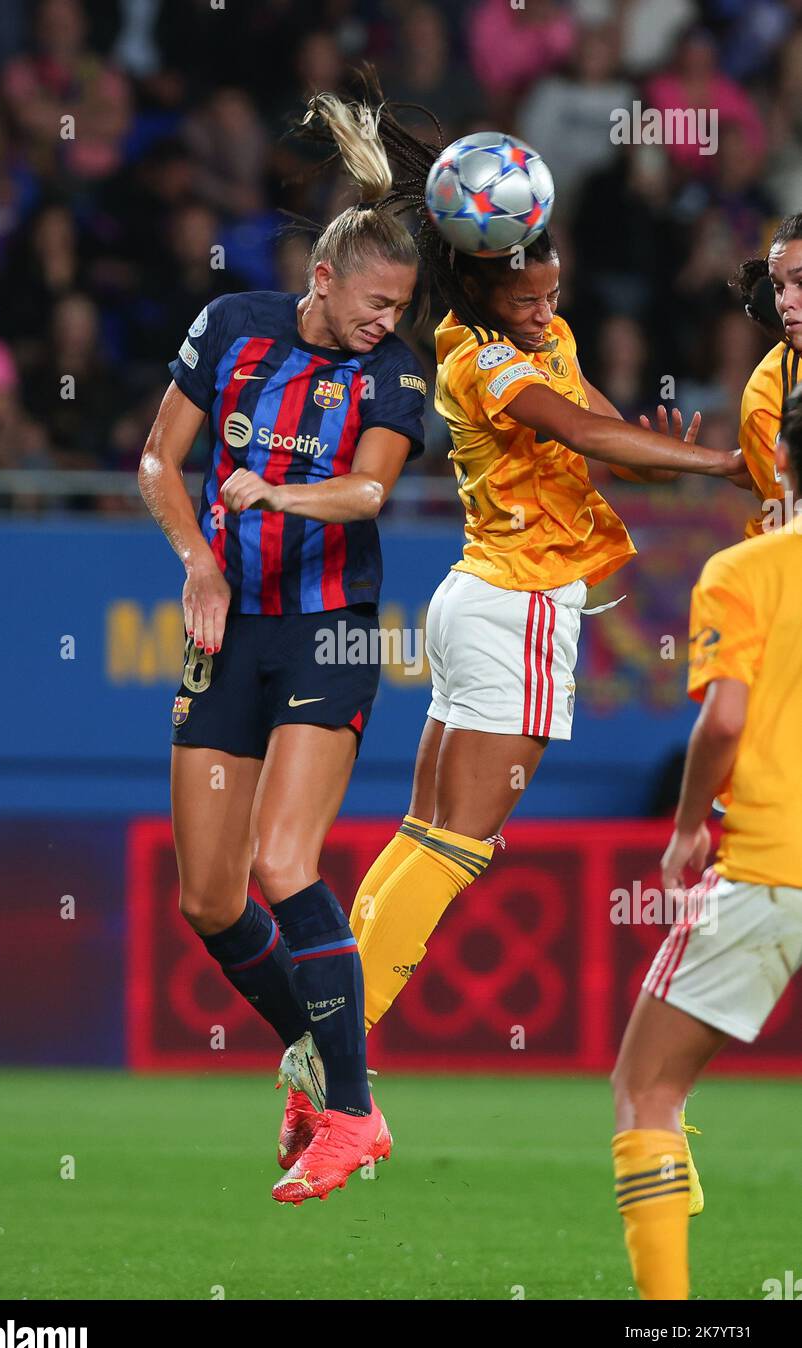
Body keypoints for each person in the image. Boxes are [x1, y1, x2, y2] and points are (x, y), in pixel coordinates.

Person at [278, 90, 748, 1210]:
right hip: (522, 606)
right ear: (483, 284)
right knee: (456, 849)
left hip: (475, 598)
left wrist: (660, 453)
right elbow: (581, 428)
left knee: (425, 837)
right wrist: (723, 464)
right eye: (526, 295)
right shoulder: (477, 360)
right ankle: (336, 1089)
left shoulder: (515, 334)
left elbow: (600, 434)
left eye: (552, 292)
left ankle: (319, 1064)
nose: (544, 309)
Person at [137, 94, 427, 1205]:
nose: (383, 320)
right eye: (372, 301)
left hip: (329, 629)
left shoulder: (390, 374)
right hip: (228, 627)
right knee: (209, 898)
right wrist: (196, 562)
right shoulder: (230, 328)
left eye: (398, 306)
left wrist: (276, 492)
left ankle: (353, 1110)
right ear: (319, 280)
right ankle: (317, 1057)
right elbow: (161, 463)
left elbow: (367, 490)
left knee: (282, 862)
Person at [610, 381, 802, 1300]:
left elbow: (723, 723)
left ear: (784, 464)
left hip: (773, 866)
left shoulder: (746, 569)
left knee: (647, 1088)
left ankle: (671, 1329)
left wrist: (688, 823)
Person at [735, 212, 802, 536]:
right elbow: (794, 512)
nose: (787, 302)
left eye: (801, 283)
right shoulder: (769, 394)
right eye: (778, 287)